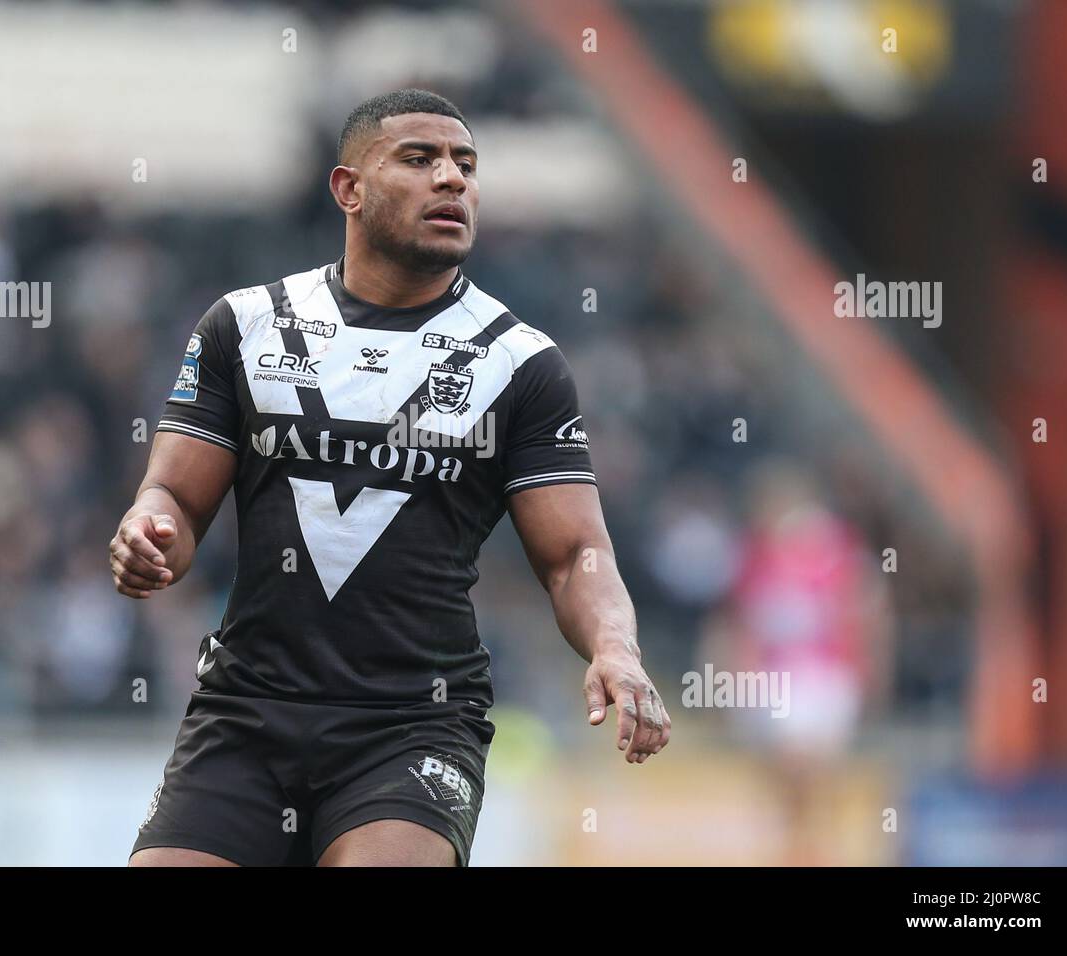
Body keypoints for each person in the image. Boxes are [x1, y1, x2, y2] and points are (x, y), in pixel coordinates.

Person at [112, 88, 671, 867]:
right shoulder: (246, 324)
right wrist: (150, 533)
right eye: (420, 159)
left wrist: (616, 648)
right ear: (349, 188)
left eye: (465, 166)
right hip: (246, 713)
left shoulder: (522, 363)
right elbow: (174, 497)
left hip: (413, 722)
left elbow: (575, 552)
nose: (452, 180)